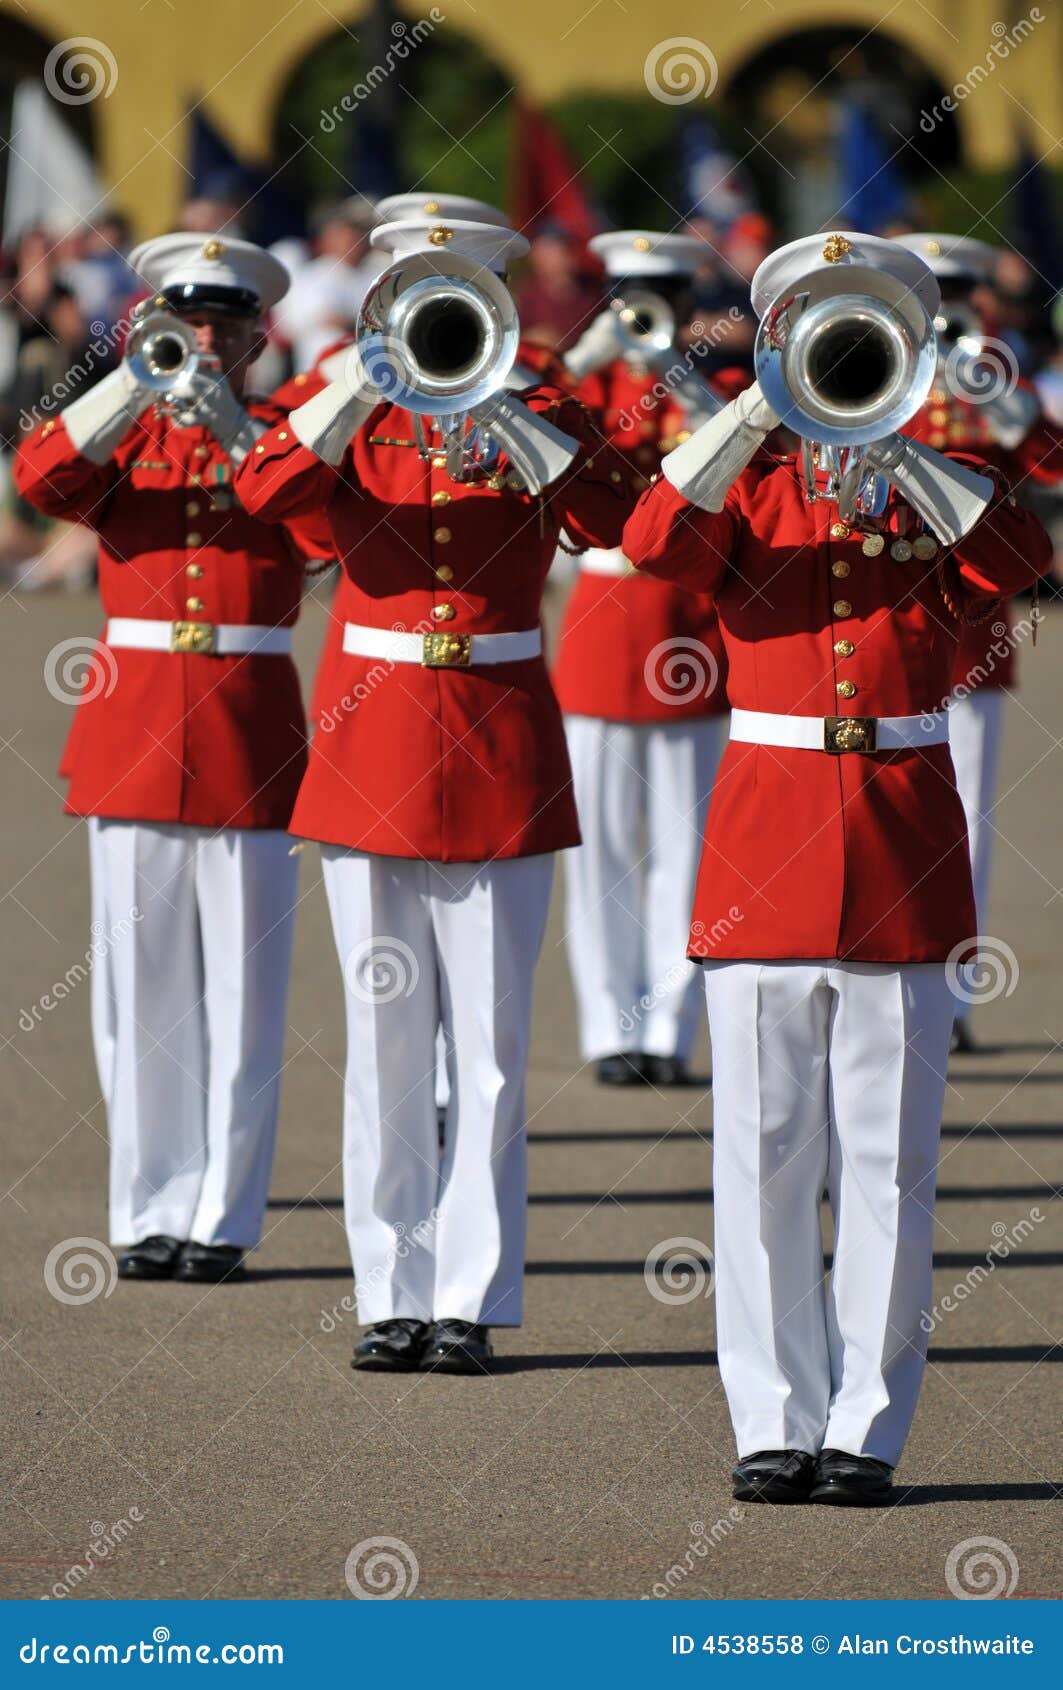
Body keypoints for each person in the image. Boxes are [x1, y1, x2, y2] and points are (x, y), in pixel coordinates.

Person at [621, 232, 1052, 1505]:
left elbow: (1021, 561)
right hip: (766, 837)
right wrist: (764, 405)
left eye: (859, 330)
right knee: (762, 1152)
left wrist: (900, 442)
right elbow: (650, 539)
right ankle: (770, 1417)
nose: (839, 349)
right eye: (813, 326)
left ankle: (865, 1424)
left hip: (902, 834)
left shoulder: (944, 477)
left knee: (888, 1161)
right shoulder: (746, 482)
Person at [235, 215, 630, 1373]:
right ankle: (389, 1292)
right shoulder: (342, 397)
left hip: (498, 741)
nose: (438, 305)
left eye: (459, 286)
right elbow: (262, 489)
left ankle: (469, 1296)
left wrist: (512, 408)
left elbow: (621, 520)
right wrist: (363, 381)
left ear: (495, 292)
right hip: (373, 742)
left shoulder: (542, 403)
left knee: (494, 1047)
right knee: (382, 1037)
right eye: (417, 283)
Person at [14, 233, 326, 1283]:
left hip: (245, 730)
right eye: (183, 326)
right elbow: (40, 477)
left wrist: (236, 430)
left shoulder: (283, 434)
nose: (203, 343)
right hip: (133, 728)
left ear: (255, 341)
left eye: (222, 329)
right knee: (138, 987)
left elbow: (320, 533)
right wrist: (128, 386)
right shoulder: (126, 430)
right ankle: (148, 1205)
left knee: (244, 991)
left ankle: (221, 1216)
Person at [553, 231, 734, 1086]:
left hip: (687, 624)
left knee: (685, 850)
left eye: (663, 301)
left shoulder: (715, 386)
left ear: (690, 310)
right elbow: (520, 414)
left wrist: (680, 375)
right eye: (629, 301)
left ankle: (668, 1027)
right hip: (604, 618)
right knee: (596, 850)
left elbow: (740, 455)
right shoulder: (583, 386)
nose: (645, 317)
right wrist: (581, 359)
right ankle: (606, 1027)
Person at [895, 233, 1063, 1049]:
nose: (946, 314)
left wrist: (994, 392)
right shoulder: (877, 358)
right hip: (885, 614)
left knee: (967, 821)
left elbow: (1050, 463)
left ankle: (952, 998)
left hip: (970, 629)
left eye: (956, 298)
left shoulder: (991, 366)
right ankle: (892, 980)